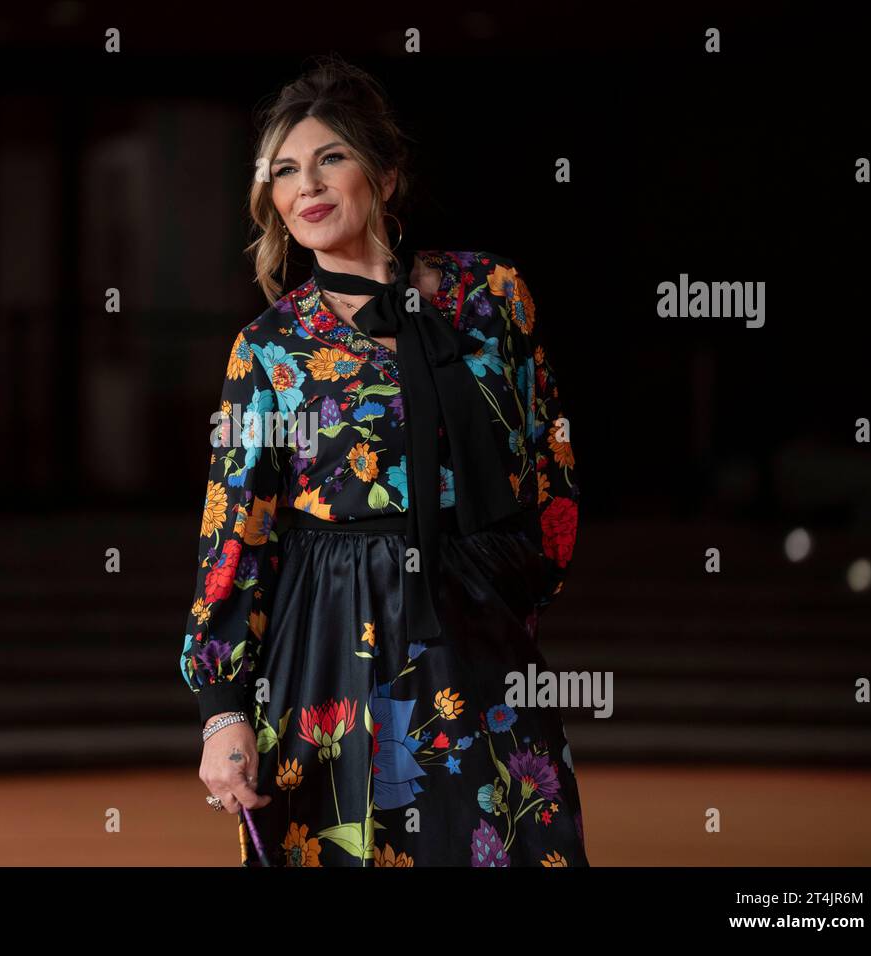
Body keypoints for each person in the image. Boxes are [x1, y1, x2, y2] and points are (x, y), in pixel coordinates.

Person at [178, 56, 587, 867]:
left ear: (387, 175)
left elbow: (549, 457)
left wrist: (508, 585)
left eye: (330, 157)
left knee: (505, 843)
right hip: (328, 640)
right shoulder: (270, 349)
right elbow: (235, 530)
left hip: (478, 630)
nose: (308, 185)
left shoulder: (493, 295)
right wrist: (224, 712)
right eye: (285, 170)